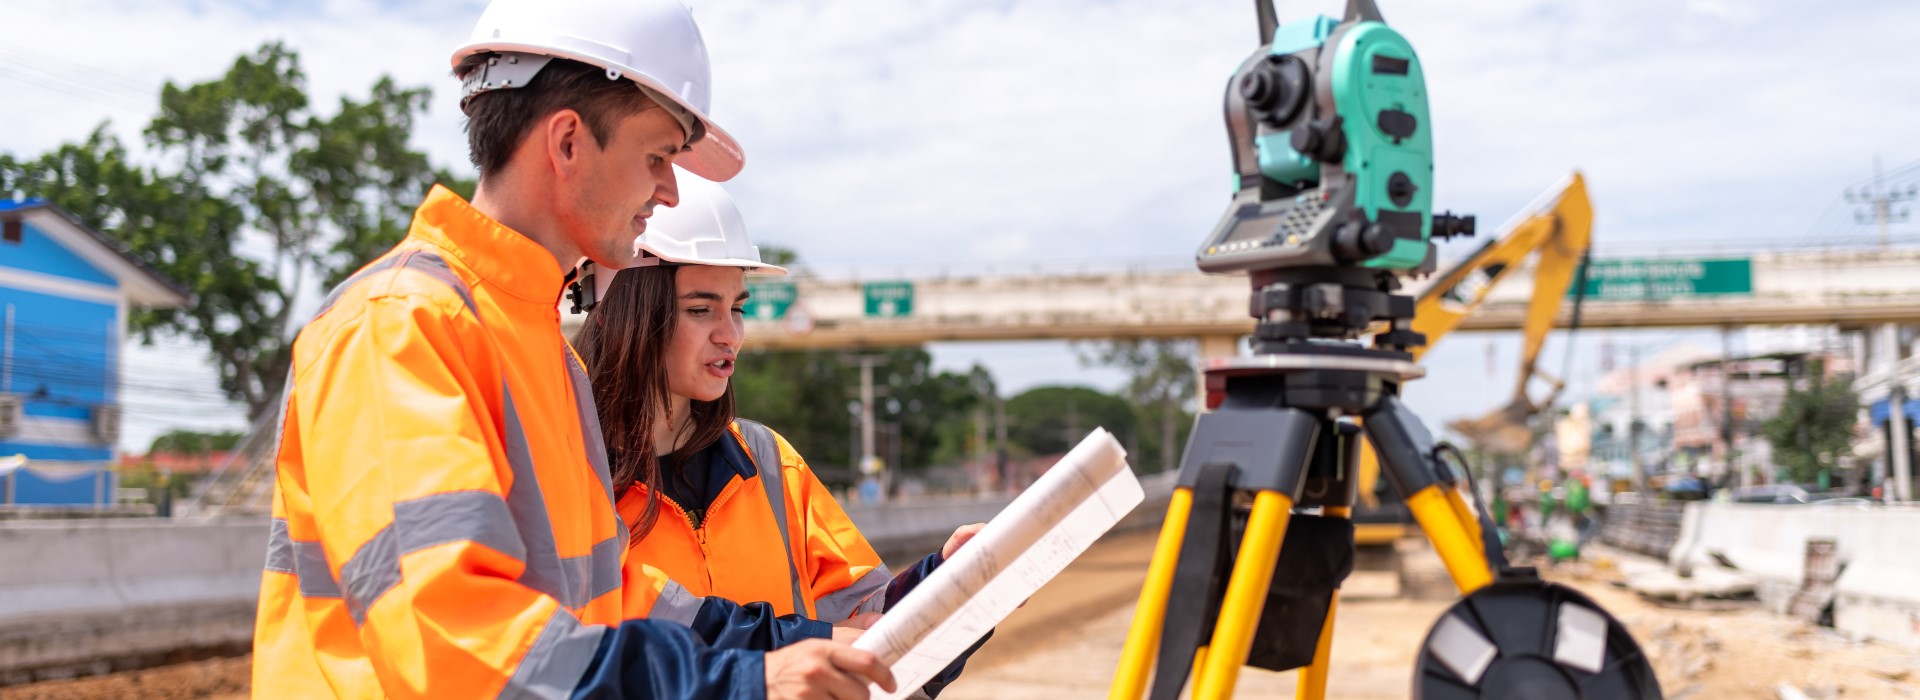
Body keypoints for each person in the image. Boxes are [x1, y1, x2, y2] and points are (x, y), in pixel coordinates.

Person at [251, 0, 895, 697]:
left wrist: (869, 627)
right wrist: (734, 684)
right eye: (658, 156)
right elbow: (450, 636)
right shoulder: (400, 326)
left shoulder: (542, 352)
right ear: (567, 142)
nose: (671, 192)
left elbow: (620, 597)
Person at [573, 171, 989, 698]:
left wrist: (949, 585)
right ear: (628, 310)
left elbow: (863, 623)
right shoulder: (566, 462)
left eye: (738, 307)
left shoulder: (768, 461)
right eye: (701, 309)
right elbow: (629, 627)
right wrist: (797, 646)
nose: (731, 334)